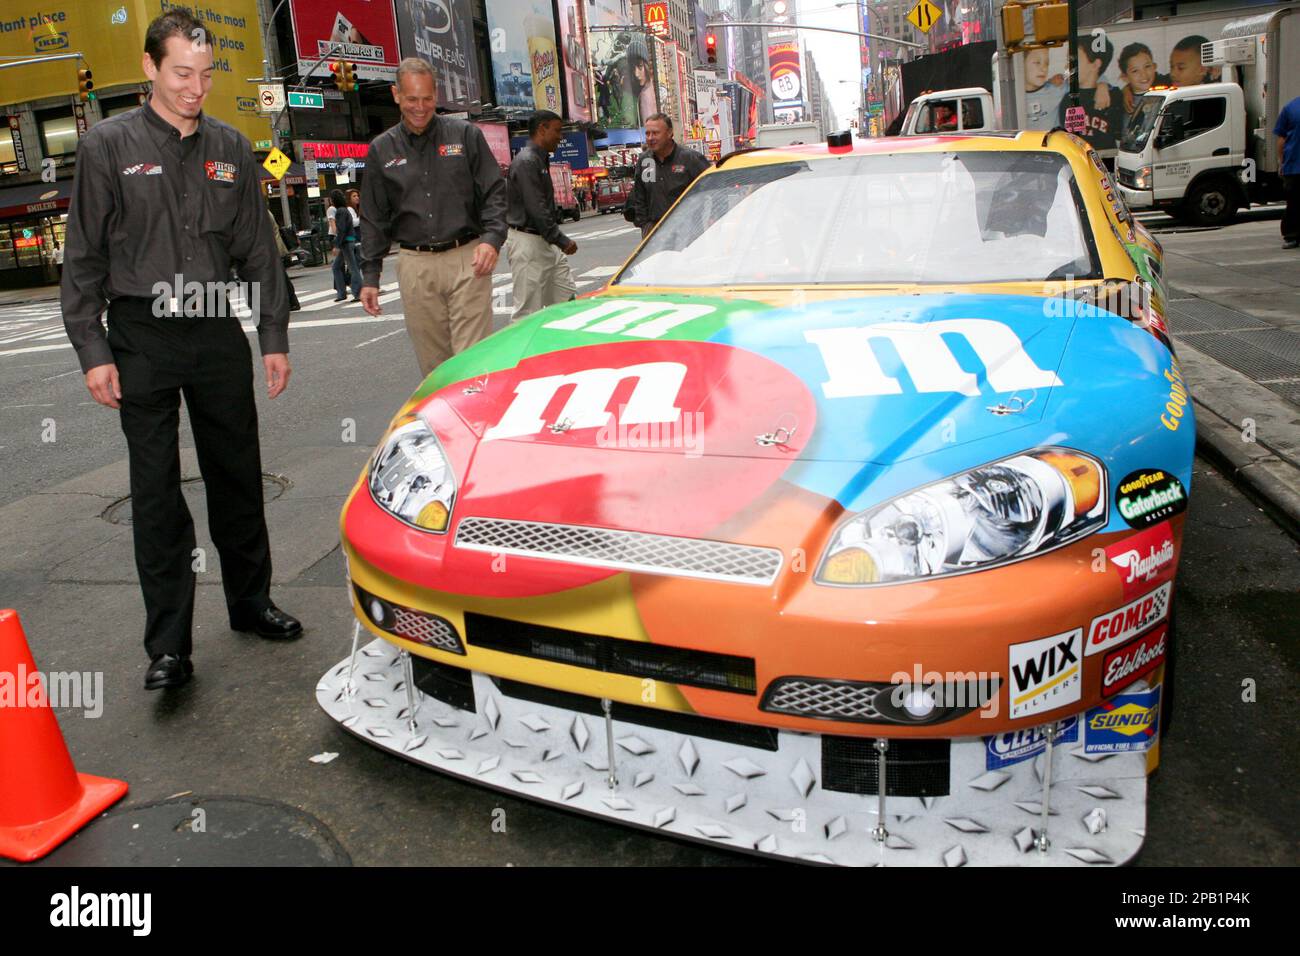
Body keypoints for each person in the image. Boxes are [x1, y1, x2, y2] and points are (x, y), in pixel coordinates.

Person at [59, 10, 302, 693]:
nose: (196, 89)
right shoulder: (107, 145)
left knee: (236, 472)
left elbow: (258, 250)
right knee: (156, 491)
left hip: (213, 328)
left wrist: (272, 337)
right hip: (140, 333)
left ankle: (251, 603)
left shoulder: (231, 146)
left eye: (205, 75)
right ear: (149, 69)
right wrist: (92, 349)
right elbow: (82, 258)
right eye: (181, 74)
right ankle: (168, 645)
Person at [359, 57, 507, 377]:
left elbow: (495, 191)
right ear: (396, 94)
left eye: (427, 98)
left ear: (436, 94)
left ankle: (475, 423)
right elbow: (373, 217)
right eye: (411, 99)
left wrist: (492, 240)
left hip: (468, 259)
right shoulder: (381, 150)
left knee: (473, 362)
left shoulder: (465, 135)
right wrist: (369, 276)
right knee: (435, 369)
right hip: (416, 265)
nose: (420, 107)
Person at [506, 110, 578, 322]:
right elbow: (536, 208)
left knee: (566, 300)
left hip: (546, 240)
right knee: (528, 313)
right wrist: (561, 240)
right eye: (557, 131)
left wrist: (556, 240)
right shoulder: (527, 162)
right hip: (528, 243)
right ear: (542, 129)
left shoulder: (538, 160)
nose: (560, 136)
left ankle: (564, 348)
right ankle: (525, 355)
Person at [625, 113, 711, 237]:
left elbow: (712, 188)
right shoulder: (645, 161)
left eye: (655, 133)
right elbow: (640, 196)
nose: (650, 138)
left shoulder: (691, 159)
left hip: (688, 232)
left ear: (670, 133)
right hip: (655, 233)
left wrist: (712, 217)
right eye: (647, 133)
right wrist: (644, 224)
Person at [1276, 94, 1300, 249]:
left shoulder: (1290, 108)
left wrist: (1281, 163)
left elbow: (1281, 140)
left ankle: (1291, 236)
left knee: (1294, 202)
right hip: (1294, 164)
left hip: (1293, 165)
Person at [328, 189, 361, 302]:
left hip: (346, 242)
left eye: (331, 199)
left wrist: (337, 245)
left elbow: (341, 230)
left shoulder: (341, 211)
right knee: (336, 267)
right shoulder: (344, 210)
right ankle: (341, 293)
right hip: (347, 241)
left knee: (353, 268)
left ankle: (358, 293)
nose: (331, 201)